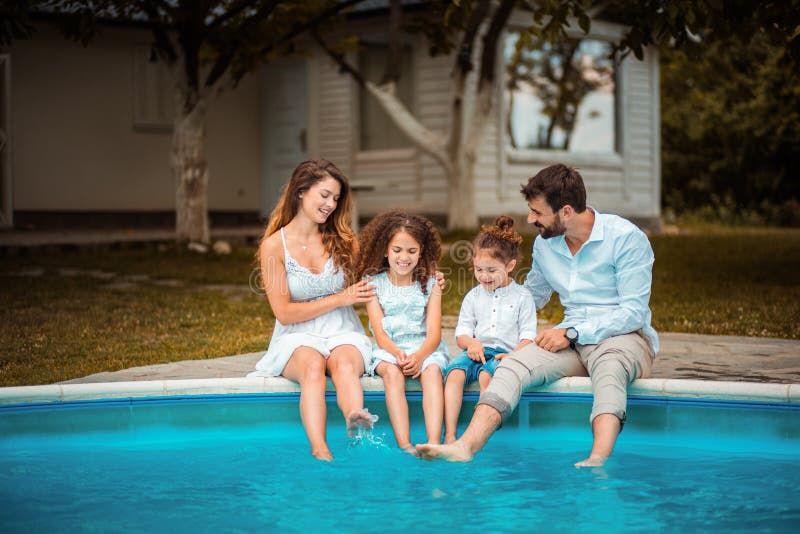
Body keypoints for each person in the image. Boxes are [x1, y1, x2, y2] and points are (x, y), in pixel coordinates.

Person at [418, 164, 658, 467]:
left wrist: (572, 334)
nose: (531, 219)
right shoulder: (547, 245)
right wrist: (489, 295)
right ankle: (464, 446)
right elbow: (531, 295)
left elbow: (633, 313)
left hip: (623, 337)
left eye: (537, 212)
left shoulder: (626, 239)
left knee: (609, 370)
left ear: (566, 212)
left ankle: (597, 460)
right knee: (512, 365)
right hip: (568, 338)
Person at [249, 159, 377, 461]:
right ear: (301, 191)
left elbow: (375, 280)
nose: (331, 204)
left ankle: (356, 423)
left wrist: (423, 276)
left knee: (344, 365)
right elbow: (284, 313)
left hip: (342, 329)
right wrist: (341, 298)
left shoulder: (343, 240)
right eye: (325, 195)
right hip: (297, 333)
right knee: (312, 368)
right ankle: (320, 450)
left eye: (336, 198)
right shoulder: (274, 246)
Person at [356, 210, 449, 451]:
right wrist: (398, 354)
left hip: (424, 347)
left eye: (412, 251)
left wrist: (419, 357)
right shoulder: (373, 283)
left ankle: (433, 442)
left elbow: (434, 333)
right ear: (386, 250)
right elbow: (379, 332)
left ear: (422, 252)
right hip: (389, 348)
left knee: (432, 373)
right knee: (392, 375)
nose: (404, 257)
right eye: (397, 250)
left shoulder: (431, 284)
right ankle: (405, 444)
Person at [443, 215, 537, 444]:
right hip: (474, 351)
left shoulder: (523, 297)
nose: (484, 276)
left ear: (510, 266)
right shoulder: (473, 297)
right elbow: (462, 333)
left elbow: (528, 337)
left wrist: (513, 355)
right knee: (454, 374)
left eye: (492, 270)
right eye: (478, 269)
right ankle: (451, 433)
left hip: (502, 355)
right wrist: (472, 343)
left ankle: (478, 434)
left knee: (487, 376)